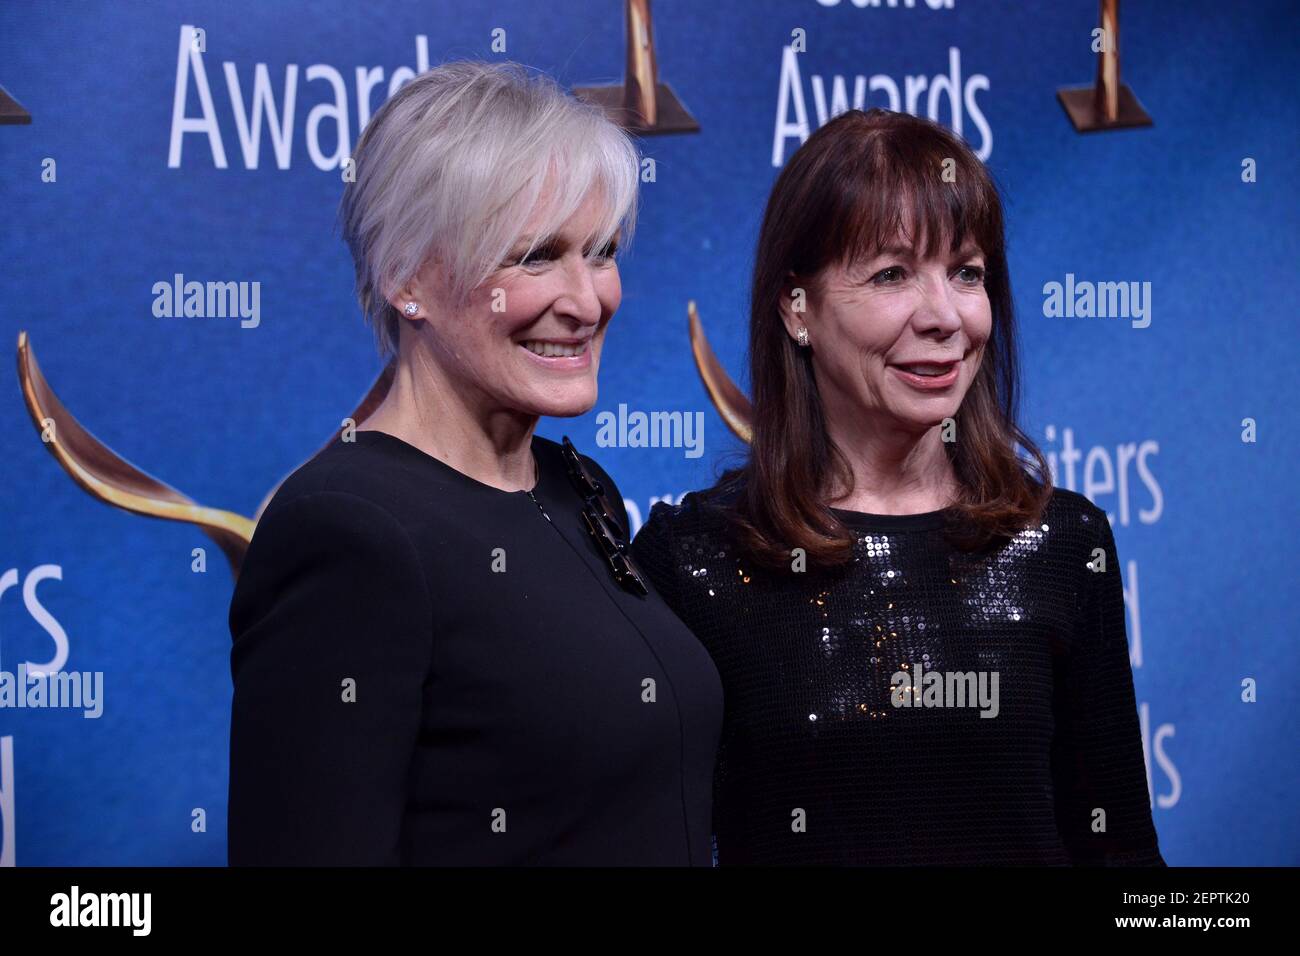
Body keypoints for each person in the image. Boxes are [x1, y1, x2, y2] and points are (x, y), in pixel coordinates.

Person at [632, 108, 1164, 865]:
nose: (944, 317)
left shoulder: (1062, 545)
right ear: (798, 308)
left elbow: (1124, 860)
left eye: (967, 273)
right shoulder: (696, 563)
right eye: (891, 275)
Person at [227, 61, 722, 866]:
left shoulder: (580, 488)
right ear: (407, 278)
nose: (585, 299)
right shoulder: (349, 530)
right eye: (533, 257)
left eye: (599, 252)